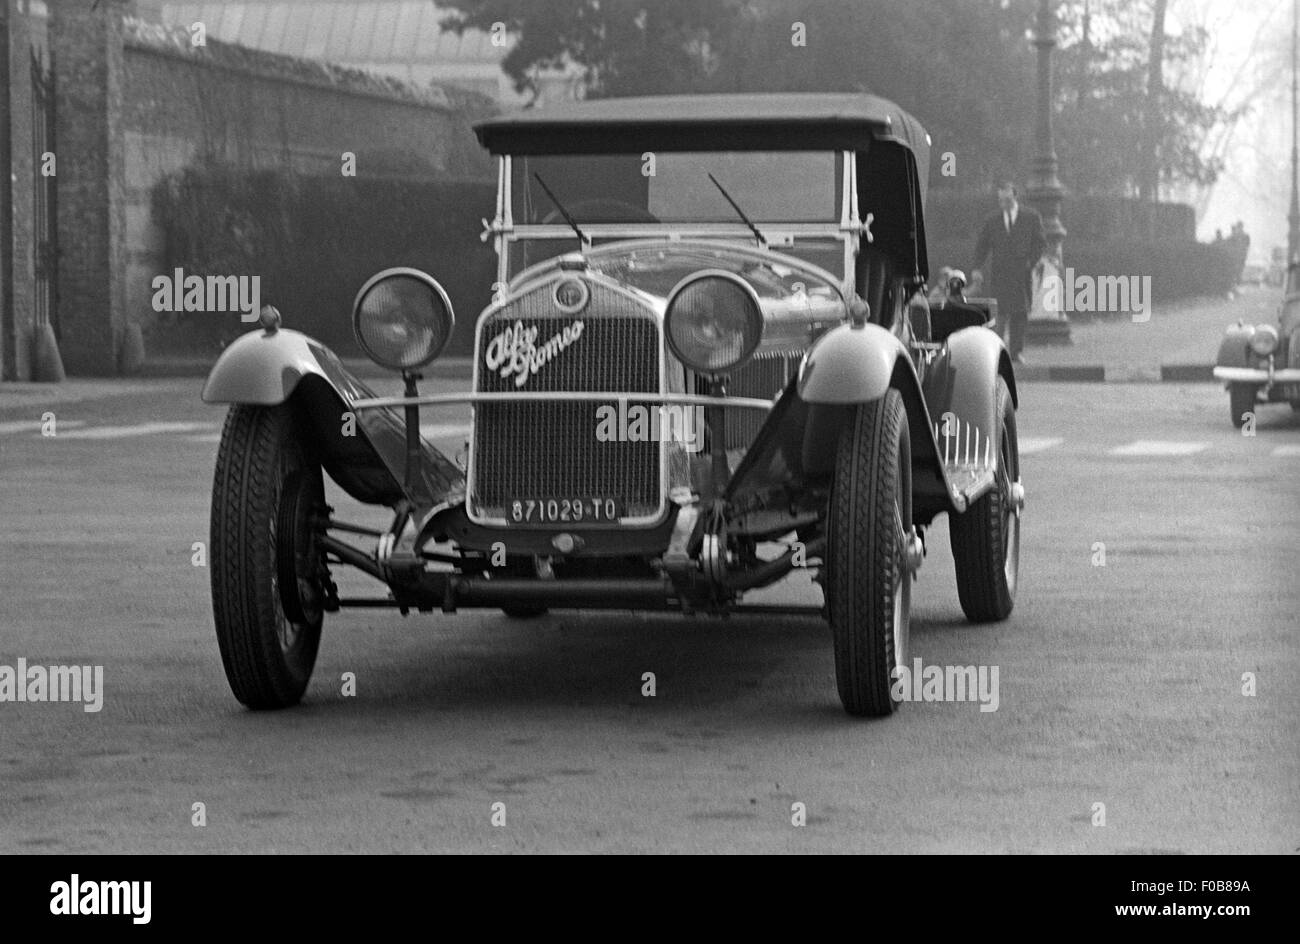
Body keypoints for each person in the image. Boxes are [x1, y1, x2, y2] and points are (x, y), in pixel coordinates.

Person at [972, 180, 1045, 364]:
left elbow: (1040, 242)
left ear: (1014, 197)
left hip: (1021, 274)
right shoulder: (992, 220)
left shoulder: (1031, 217)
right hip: (1000, 273)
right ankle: (997, 351)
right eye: (1000, 200)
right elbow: (982, 246)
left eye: (1006, 199)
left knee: (1020, 313)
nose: (1003, 203)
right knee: (1000, 314)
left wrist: (1031, 261)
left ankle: (1016, 352)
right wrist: (976, 268)